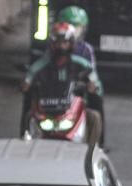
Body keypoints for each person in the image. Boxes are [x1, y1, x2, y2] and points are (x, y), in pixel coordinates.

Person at [21, 6, 104, 145]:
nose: (61, 46)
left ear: (71, 43)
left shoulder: (82, 60)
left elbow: (93, 76)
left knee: (95, 116)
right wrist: (27, 83)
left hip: (71, 102)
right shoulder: (44, 62)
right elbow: (32, 73)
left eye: (65, 42)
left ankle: (95, 149)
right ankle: (23, 139)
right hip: (48, 103)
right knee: (29, 113)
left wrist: (93, 86)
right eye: (58, 42)